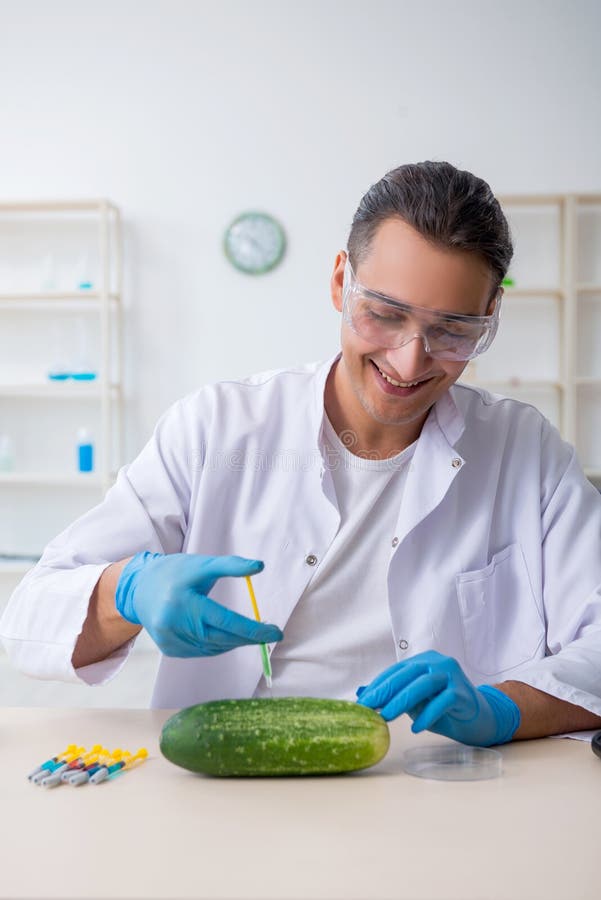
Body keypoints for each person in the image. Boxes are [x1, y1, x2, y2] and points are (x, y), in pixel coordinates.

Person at [2, 161, 601, 748]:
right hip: (230, 784)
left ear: (489, 315)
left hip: (439, 786)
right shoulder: (217, 429)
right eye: (385, 315)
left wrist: (501, 708)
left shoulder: (526, 453)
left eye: (452, 330)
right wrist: (127, 593)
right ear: (342, 281)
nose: (409, 361)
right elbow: (30, 615)